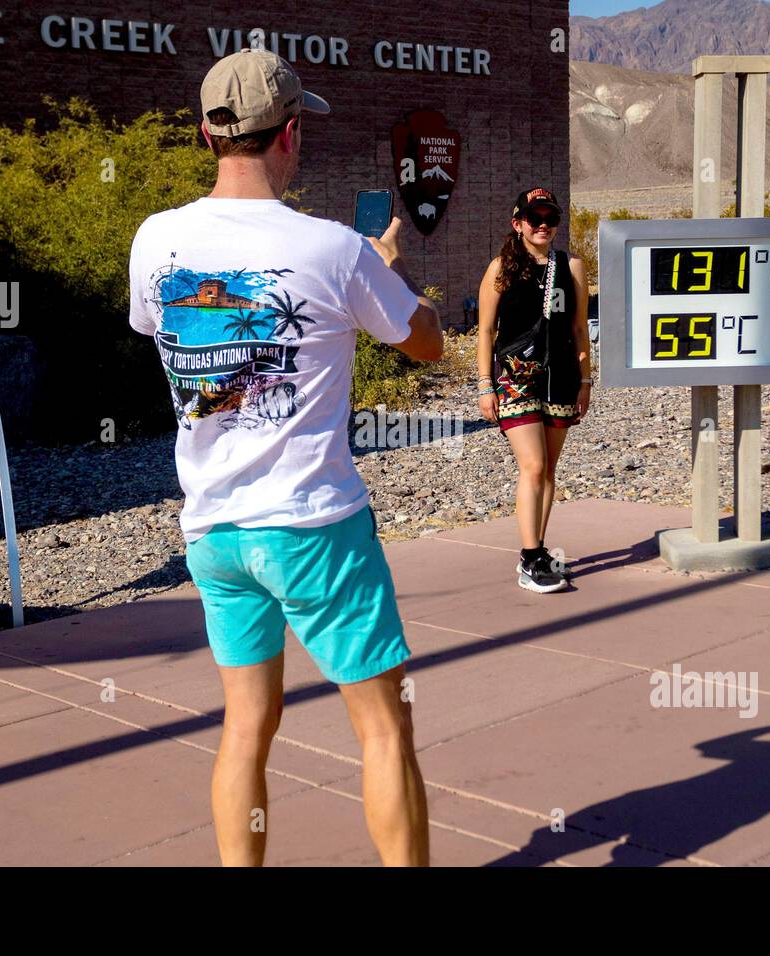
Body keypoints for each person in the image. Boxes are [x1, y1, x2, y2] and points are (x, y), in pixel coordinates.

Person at [128, 49, 442, 865]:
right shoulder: (337, 249)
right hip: (313, 525)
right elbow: (427, 345)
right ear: (291, 134)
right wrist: (384, 272)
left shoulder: (154, 241)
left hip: (213, 531)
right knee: (383, 728)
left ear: (207, 134)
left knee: (244, 728)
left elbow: (157, 332)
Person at [476, 188, 592, 593]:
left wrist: (585, 381)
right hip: (514, 377)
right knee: (534, 466)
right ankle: (529, 559)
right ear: (518, 223)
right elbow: (486, 331)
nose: (543, 225)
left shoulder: (572, 266)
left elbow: (580, 329)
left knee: (549, 471)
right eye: (534, 218)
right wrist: (484, 385)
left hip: (559, 375)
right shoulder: (500, 268)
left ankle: (539, 549)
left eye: (551, 218)